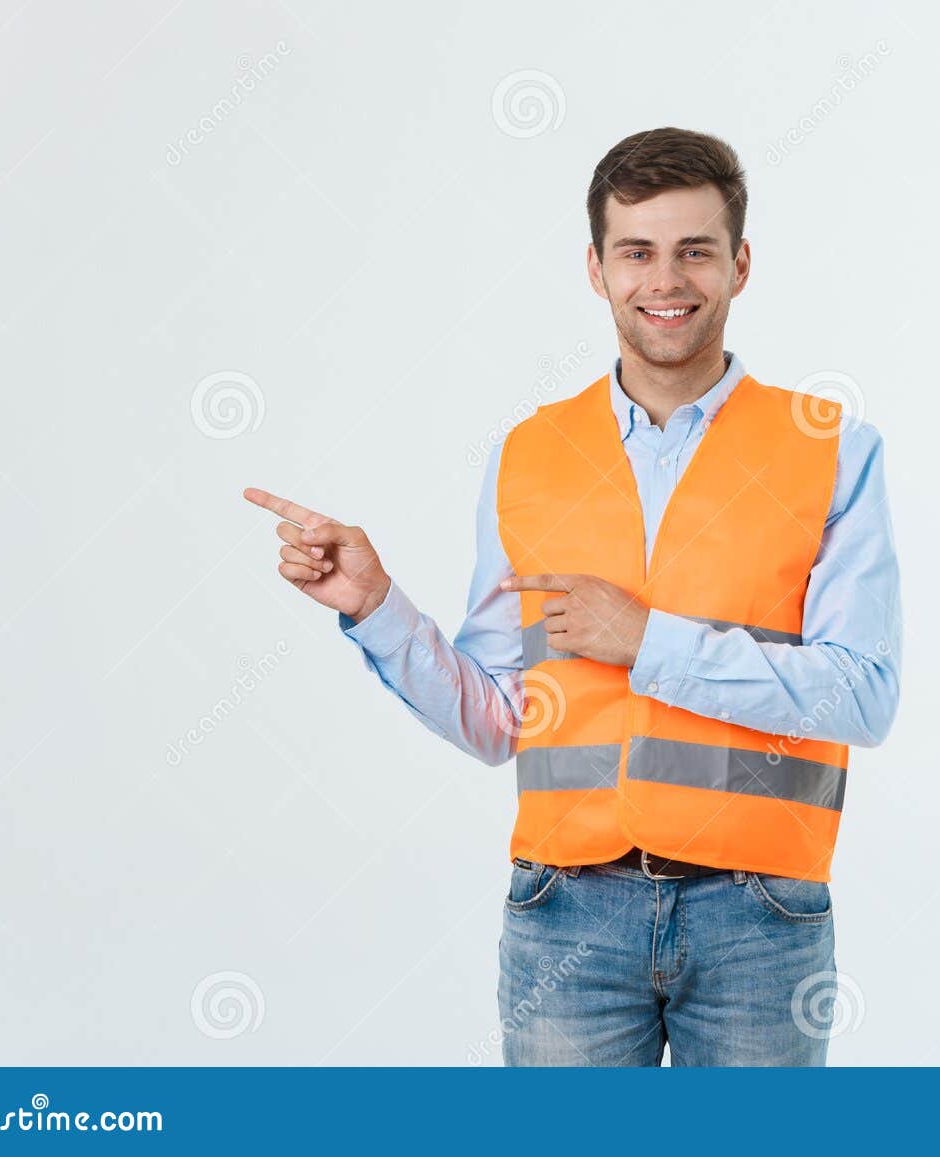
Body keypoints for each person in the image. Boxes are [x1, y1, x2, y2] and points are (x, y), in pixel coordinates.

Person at [243, 127, 901, 1065]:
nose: (664, 280)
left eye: (694, 251)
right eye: (636, 252)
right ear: (597, 269)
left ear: (740, 266)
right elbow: (497, 720)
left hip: (761, 915)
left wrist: (647, 639)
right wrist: (377, 605)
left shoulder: (832, 448)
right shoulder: (529, 455)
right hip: (564, 911)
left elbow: (864, 694)